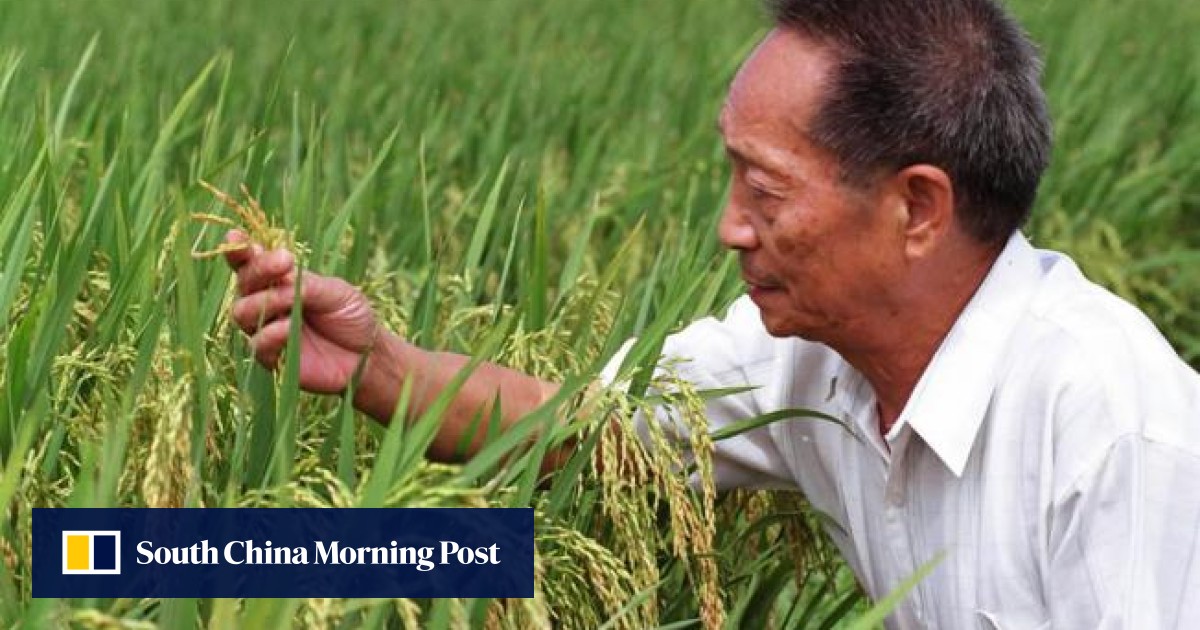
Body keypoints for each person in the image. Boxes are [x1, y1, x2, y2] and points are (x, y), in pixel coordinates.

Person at [223, 0, 1200, 627]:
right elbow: (585, 433)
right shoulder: (805, 362)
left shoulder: (1117, 432)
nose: (731, 229)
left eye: (766, 191)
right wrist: (381, 366)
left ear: (917, 208)